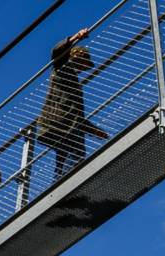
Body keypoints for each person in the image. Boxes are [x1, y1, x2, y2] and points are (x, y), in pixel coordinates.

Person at [37, 29, 109, 183]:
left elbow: (76, 114)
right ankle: (67, 186)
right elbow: (57, 51)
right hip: (60, 123)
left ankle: (58, 189)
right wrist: (76, 38)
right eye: (84, 62)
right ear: (76, 57)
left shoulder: (74, 80)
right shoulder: (61, 67)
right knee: (76, 152)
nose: (84, 68)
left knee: (64, 157)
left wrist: (94, 130)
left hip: (63, 124)